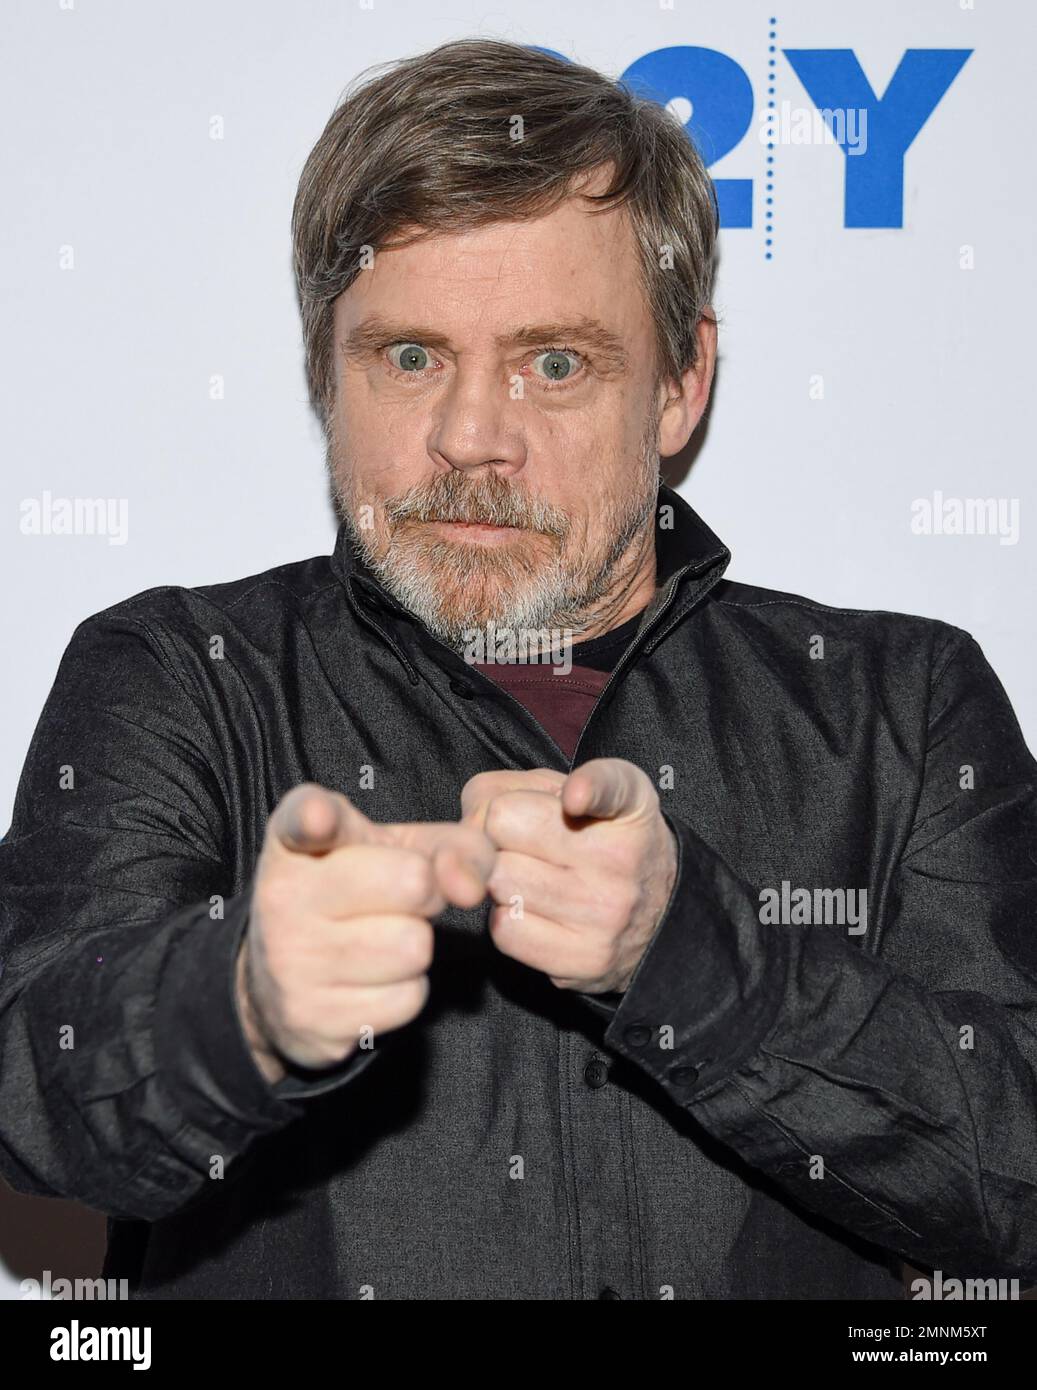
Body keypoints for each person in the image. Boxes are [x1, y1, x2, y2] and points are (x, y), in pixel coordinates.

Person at [2, 37, 1036, 1301]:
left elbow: (1015, 1170)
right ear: (326, 371)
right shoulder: (177, 675)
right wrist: (240, 1006)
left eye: (553, 363)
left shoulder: (903, 703)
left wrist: (698, 960)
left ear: (678, 384)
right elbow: (31, 1095)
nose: (470, 436)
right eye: (410, 356)